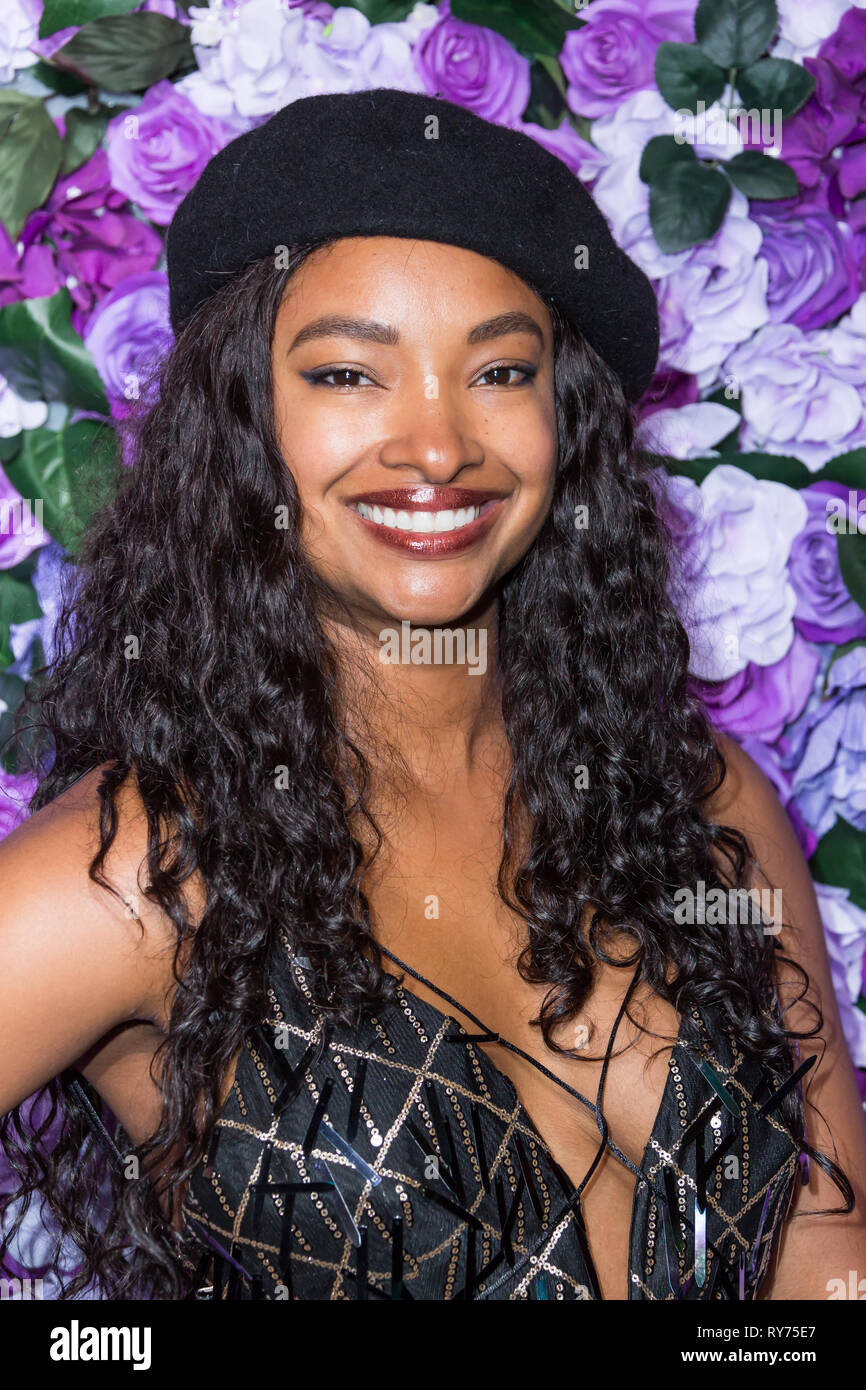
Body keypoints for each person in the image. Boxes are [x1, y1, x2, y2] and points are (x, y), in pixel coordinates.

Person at [0, 89, 864, 1302]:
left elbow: (823, 1248)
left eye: (499, 369)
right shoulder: (144, 872)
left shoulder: (699, 808)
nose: (436, 444)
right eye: (351, 373)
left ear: (562, 424)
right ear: (243, 426)